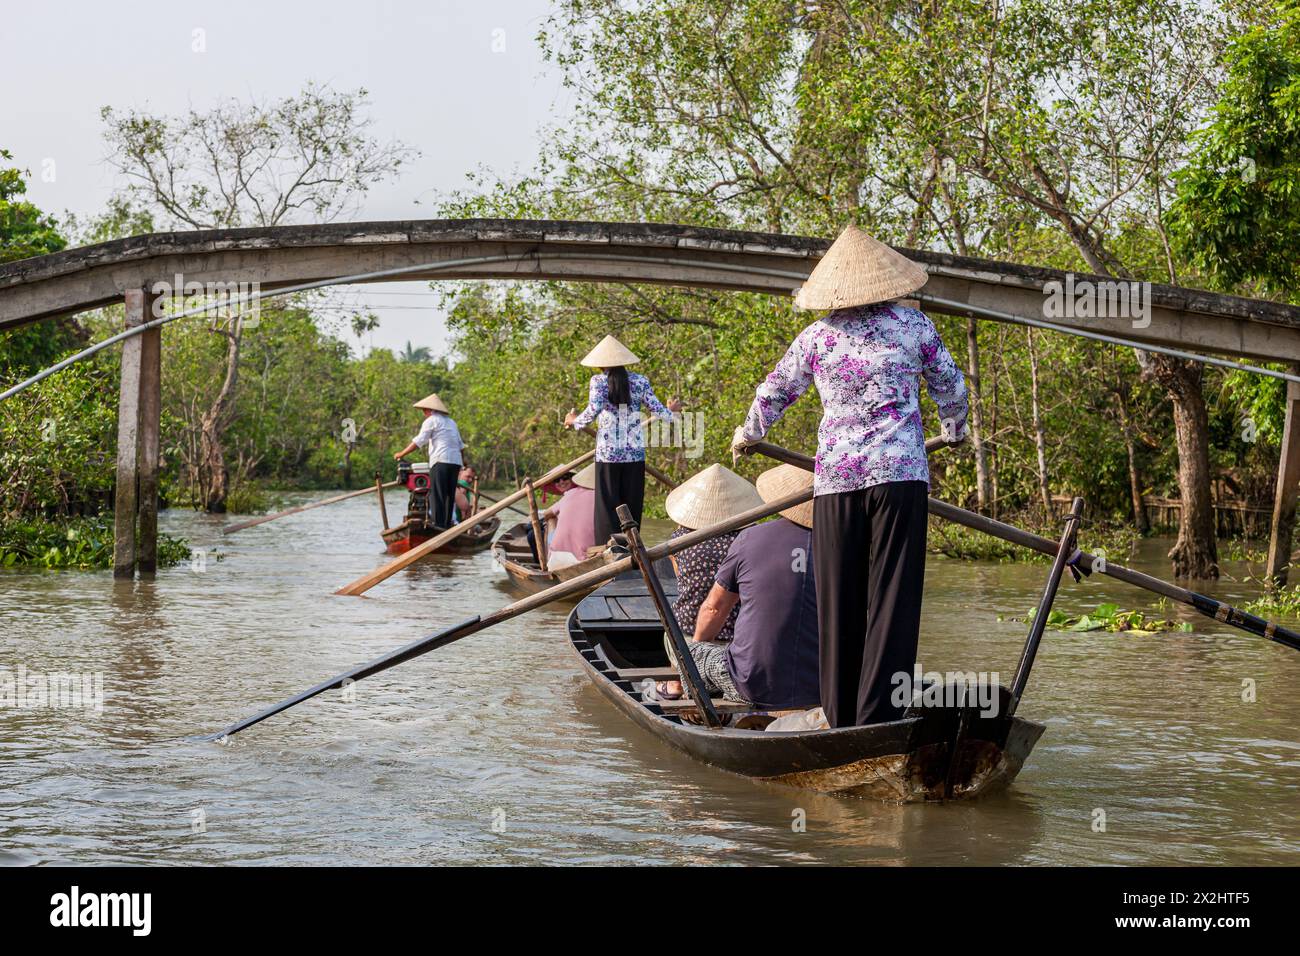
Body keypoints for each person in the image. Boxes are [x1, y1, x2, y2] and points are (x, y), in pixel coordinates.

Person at [731, 225, 968, 728]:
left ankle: (840, 718)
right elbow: (951, 383)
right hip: (899, 476)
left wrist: (747, 432)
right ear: (885, 284)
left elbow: (775, 390)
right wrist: (954, 429)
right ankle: (879, 715)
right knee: (892, 596)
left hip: (836, 481)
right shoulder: (913, 328)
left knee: (837, 598)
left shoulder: (816, 337)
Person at [665, 464, 820, 711]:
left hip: (751, 683)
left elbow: (714, 609)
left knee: (687, 649)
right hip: (822, 686)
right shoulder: (846, 547)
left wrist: (695, 654)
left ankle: (685, 689)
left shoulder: (750, 538)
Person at [653, 463, 764, 700]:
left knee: (673, 622)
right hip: (743, 639)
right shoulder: (752, 540)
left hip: (688, 640)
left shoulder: (680, 539)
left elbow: (682, 578)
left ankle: (678, 683)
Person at [563, 335, 682, 546]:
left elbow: (592, 412)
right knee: (632, 504)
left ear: (600, 364)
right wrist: (671, 411)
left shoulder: (598, 382)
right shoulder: (640, 381)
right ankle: (631, 546)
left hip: (608, 454)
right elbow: (660, 411)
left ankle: (608, 549)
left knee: (607, 506)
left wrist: (573, 421)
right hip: (635, 455)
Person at [393, 392, 465, 529]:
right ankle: (447, 524)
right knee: (449, 495)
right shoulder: (452, 422)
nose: (423, 413)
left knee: (437, 494)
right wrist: (463, 463)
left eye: (424, 410)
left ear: (430, 410)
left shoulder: (431, 421)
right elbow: (460, 445)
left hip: (441, 461)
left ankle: (438, 526)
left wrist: (401, 453)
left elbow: (419, 441)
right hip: (455, 462)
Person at [538, 464, 598, 568]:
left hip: (564, 556)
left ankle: (547, 561)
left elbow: (547, 514)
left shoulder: (570, 494)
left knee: (551, 520)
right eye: (557, 480)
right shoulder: (600, 497)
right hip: (590, 552)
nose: (561, 482)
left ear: (573, 479)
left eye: (565, 478)